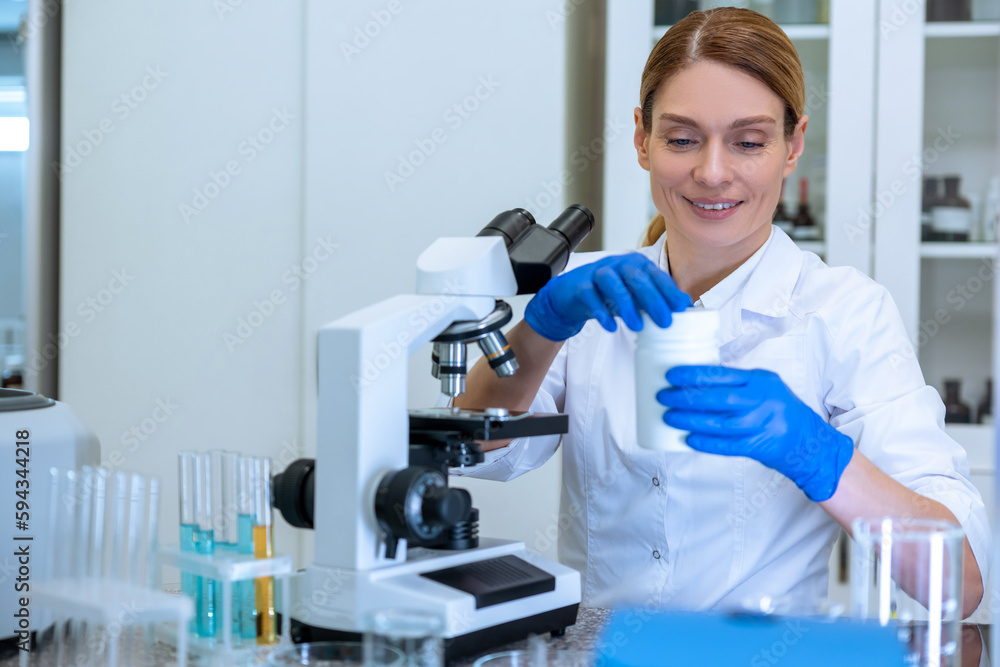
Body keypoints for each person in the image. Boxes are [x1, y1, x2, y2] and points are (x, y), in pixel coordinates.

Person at [452, 7, 988, 615]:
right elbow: (475, 448)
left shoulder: (844, 312)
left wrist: (818, 454)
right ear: (640, 139)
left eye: (749, 142)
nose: (711, 172)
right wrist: (540, 329)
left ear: (793, 146)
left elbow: (959, 584)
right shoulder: (587, 293)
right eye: (682, 139)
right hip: (602, 655)